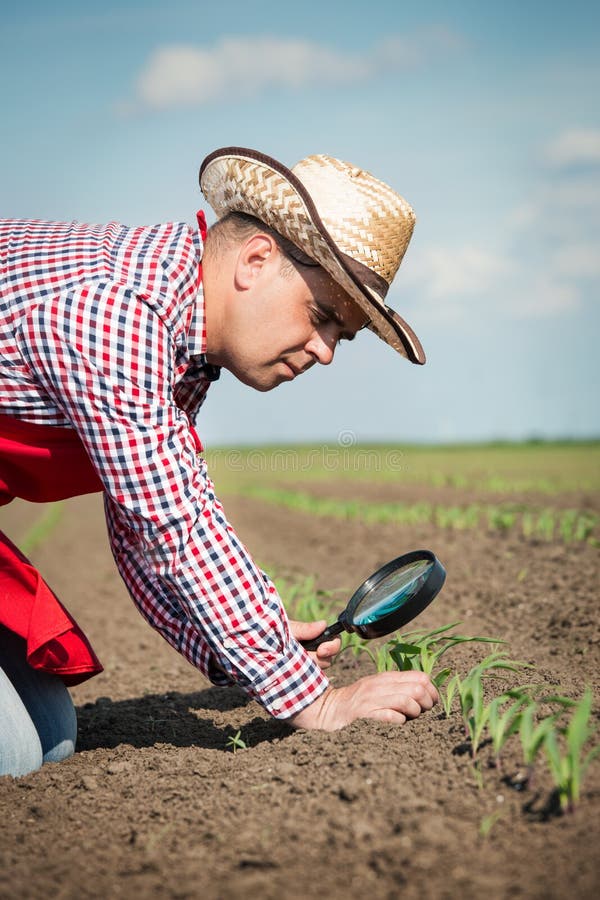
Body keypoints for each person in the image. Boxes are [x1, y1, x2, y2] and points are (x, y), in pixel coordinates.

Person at [0, 147, 438, 777]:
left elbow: (139, 529)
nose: (325, 352)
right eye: (323, 318)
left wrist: (248, 651)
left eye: (343, 335)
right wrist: (312, 699)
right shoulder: (117, 315)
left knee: (49, 736)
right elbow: (174, 528)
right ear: (256, 259)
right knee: (14, 752)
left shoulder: (183, 345)